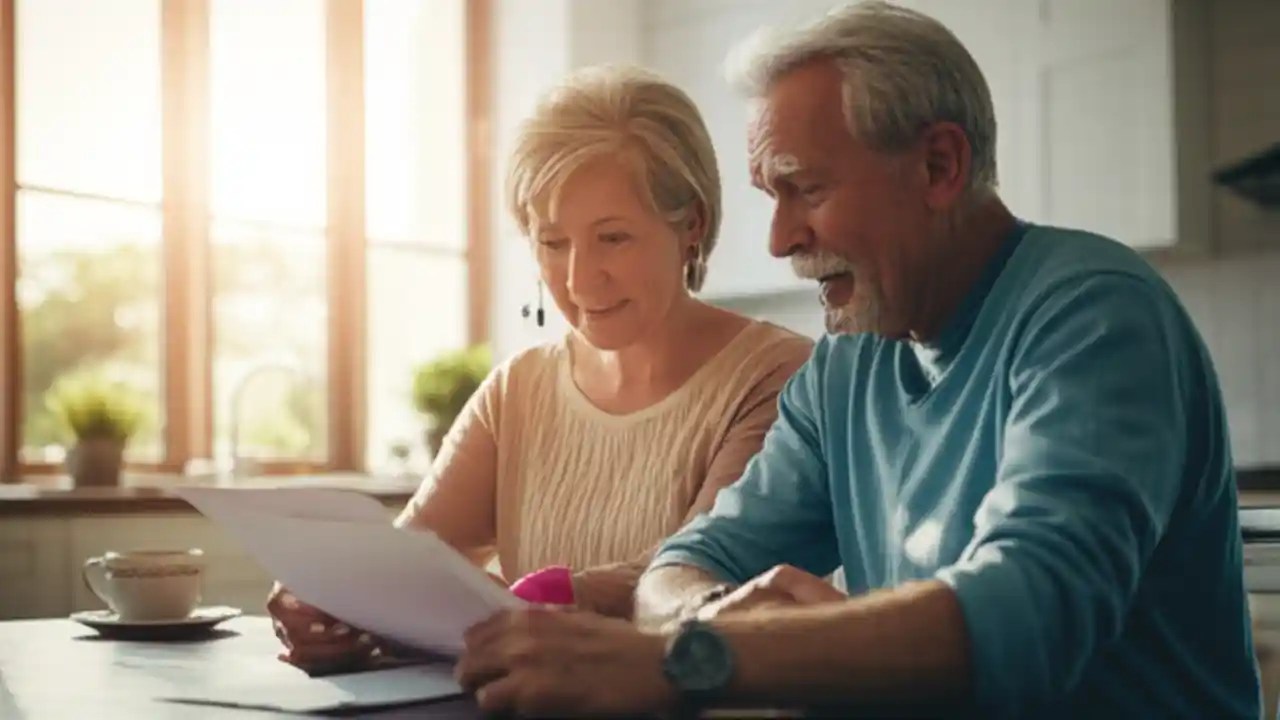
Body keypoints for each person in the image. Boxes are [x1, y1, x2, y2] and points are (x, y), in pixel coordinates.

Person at [454, 2, 1262, 718]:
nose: (778, 240)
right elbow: (684, 564)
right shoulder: (846, 363)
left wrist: (688, 659)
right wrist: (708, 616)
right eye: (771, 196)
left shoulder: (1094, 314)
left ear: (939, 166)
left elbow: (1031, 612)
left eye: (804, 188)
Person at [267, 65, 812, 675]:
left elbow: (702, 570)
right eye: (552, 243)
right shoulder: (517, 389)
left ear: (692, 228)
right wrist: (333, 598)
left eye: (613, 238)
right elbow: (409, 558)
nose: (579, 281)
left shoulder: (779, 376)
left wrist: (525, 602)